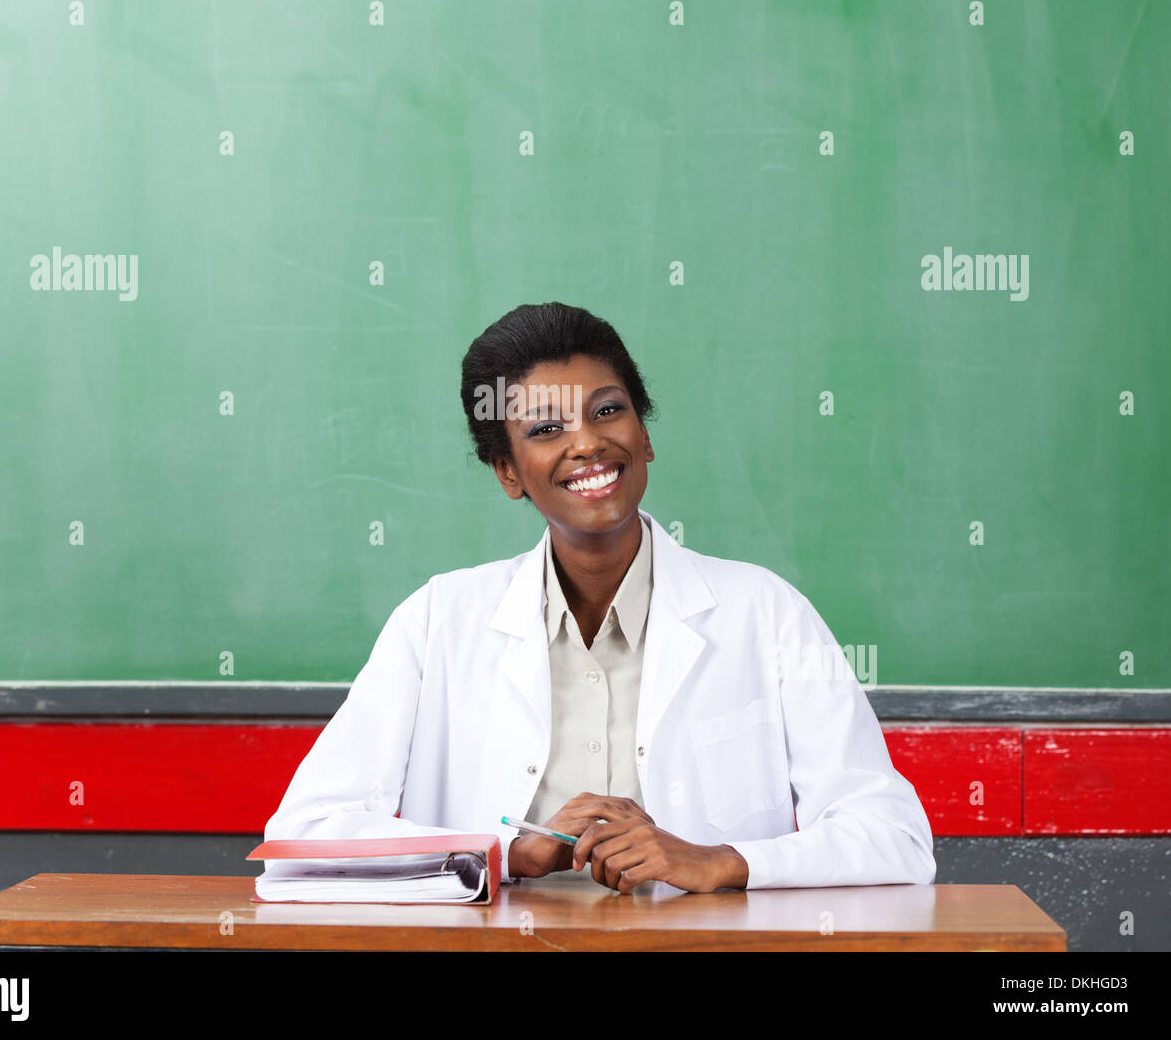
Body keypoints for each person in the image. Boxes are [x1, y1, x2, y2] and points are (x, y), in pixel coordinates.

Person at [265, 302, 935, 892]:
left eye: (608, 410)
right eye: (545, 429)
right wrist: (501, 854)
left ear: (644, 434)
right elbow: (303, 837)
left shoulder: (766, 612)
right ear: (507, 472)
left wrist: (718, 861)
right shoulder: (439, 620)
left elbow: (894, 837)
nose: (587, 442)